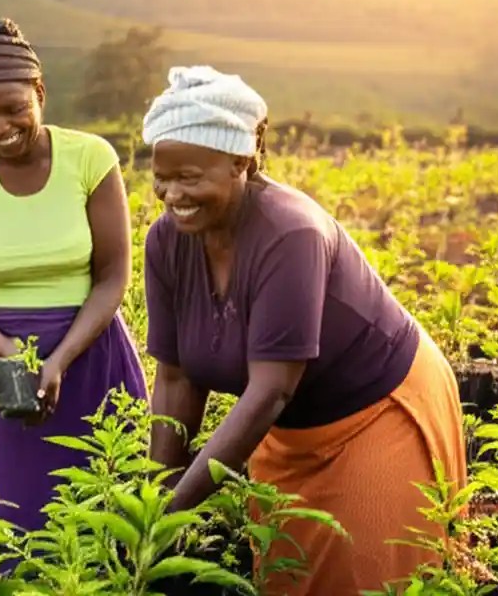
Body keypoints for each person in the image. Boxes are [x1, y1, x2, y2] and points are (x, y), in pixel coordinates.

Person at [141, 66, 468, 595]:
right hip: (292, 433)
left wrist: (175, 511)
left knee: (365, 575)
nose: (171, 194)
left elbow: (271, 390)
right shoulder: (167, 243)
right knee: (288, 573)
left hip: (376, 411)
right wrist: (153, 496)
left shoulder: (290, 234)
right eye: (162, 175)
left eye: (191, 177)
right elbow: (177, 379)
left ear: (241, 163)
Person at [0, 18, 148, 534]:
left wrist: (59, 360)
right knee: (13, 526)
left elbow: (113, 277)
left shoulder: (90, 158)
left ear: (41, 93)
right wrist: (12, 356)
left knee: (102, 523)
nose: (0, 127)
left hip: (91, 356)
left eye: (15, 109)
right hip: (5, 379)